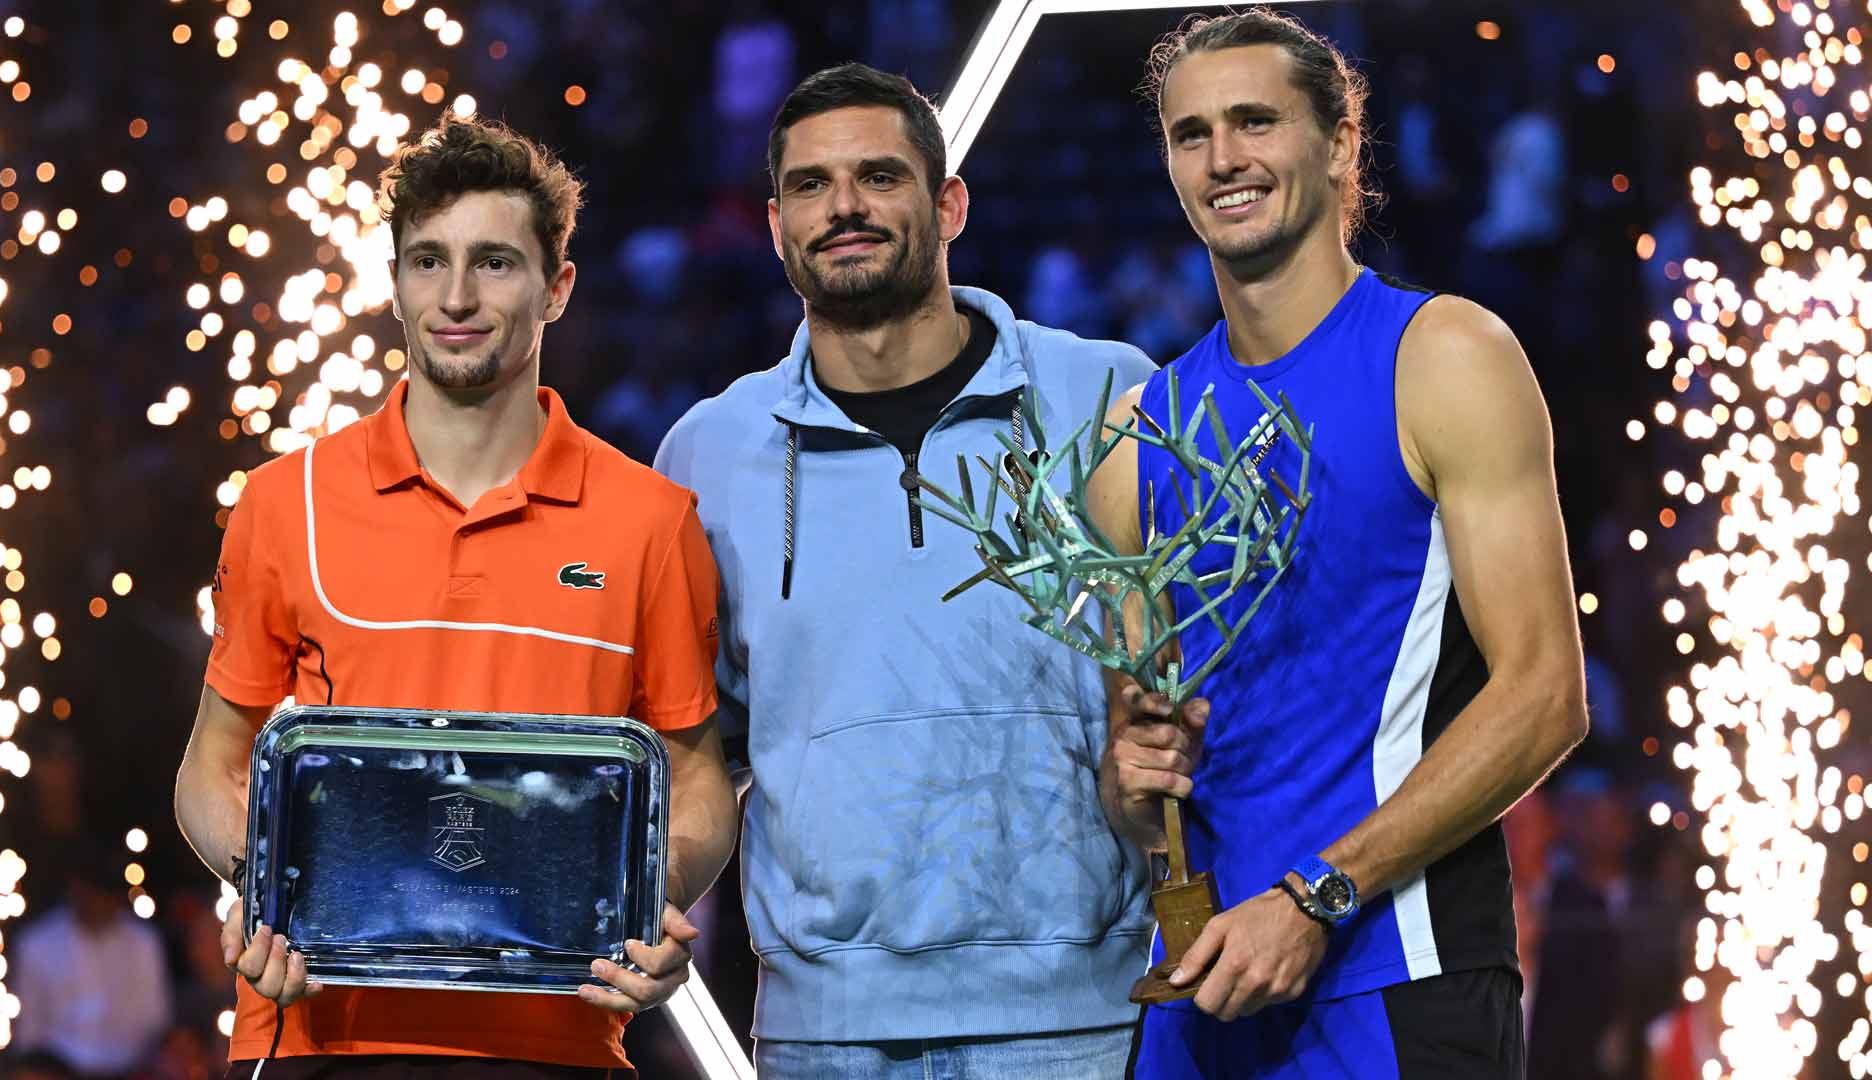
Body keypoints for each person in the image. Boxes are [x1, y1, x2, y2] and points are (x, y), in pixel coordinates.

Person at [172, 114, 737, 1077]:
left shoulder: (650, 521)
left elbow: (698, 782)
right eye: (428, 261)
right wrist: (262, 881)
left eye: (495, 263)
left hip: (559, 1040)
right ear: (394, 282)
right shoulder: (282, 502)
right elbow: (210, 768)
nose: (458, 297)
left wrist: (651, 895)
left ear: (557, 287)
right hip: (318, 1033)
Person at [1090, 10, 1587, 1077]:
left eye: (1256, 121)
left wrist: (1319, 893)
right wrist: (1129, 780)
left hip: (1398, 976)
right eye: (1190, 134)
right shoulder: (1135, 442)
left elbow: (1546, 695)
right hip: (1202, 997)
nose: (1223, 158)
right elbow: (1139, 781)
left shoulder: (1445, 356)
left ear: (1341, 142)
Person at [654, 63, 1160, 1079]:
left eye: (879, 176)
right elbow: (698, 751)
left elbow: (1185, 693)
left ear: (949, 204)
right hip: (821, 1035)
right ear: (776, 224)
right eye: (810, 185)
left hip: (1084, 1021)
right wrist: (640, 898)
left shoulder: (1109, 394)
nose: (844, 206)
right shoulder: (708, 453)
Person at [10, 847, 172, 1079]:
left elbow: (155, 1020)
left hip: (131, 1072)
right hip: (58, 1072)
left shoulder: (144, 942)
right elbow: (30, 1033)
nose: (102, 902)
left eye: (109, 893)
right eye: (96, 891)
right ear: (76, 888)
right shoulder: (36, 944)